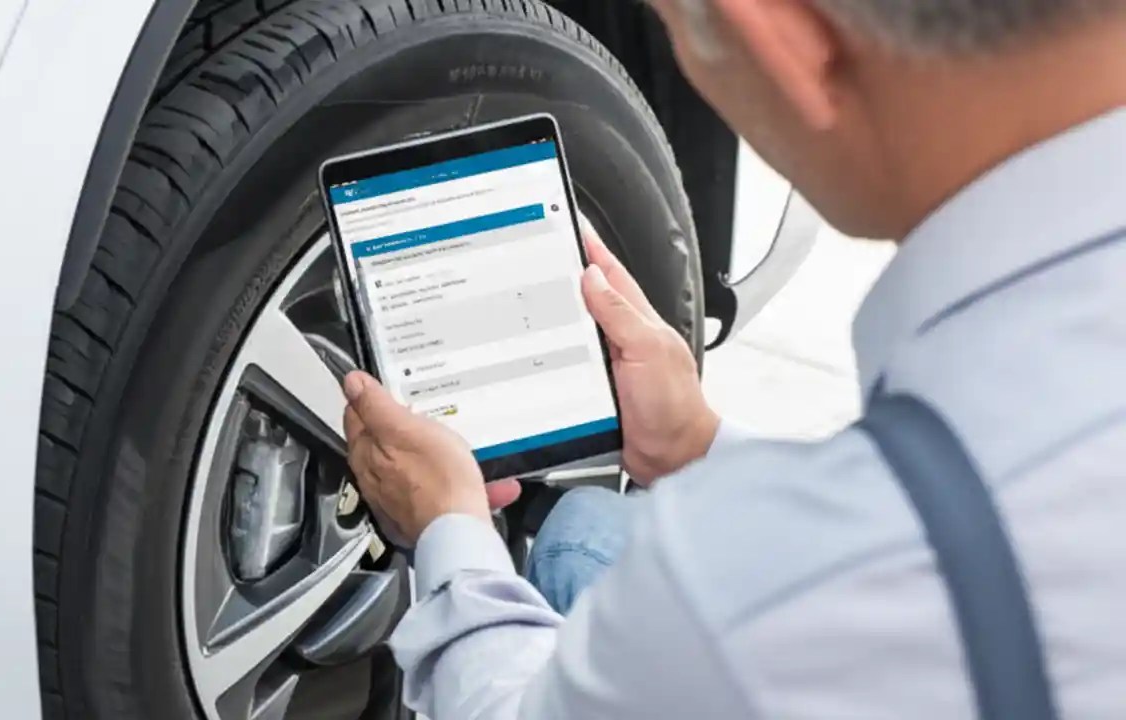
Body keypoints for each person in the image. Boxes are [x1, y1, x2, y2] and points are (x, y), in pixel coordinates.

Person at [342, 0, 1126, 716]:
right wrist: (699, 443)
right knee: (587, 528)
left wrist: (450, 533)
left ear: (785, 41)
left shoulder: (764, 597)